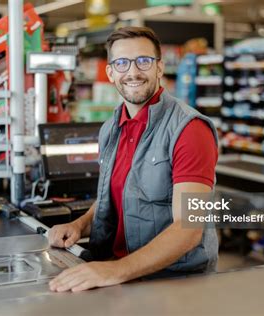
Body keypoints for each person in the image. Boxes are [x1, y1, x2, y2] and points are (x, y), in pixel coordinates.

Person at [48, 26, 218, 292]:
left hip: (173, 283)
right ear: (110, 72)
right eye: (122, 63)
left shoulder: (190, 129)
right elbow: (115, 198)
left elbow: (189, 228)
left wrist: (114, 270)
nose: (133, 72)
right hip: (122, 277)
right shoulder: (111, 128)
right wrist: (79, 225)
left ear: (159, 68)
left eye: (144, 61)